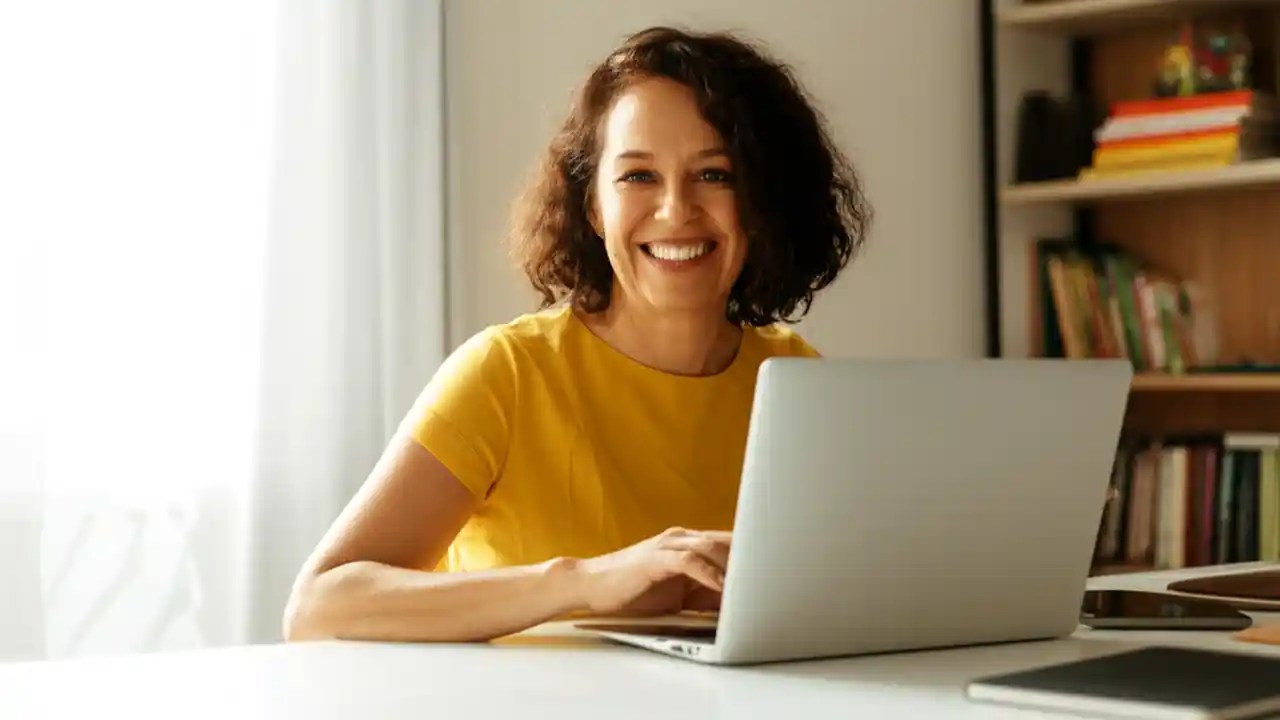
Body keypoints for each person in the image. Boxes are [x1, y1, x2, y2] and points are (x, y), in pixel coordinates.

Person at [283, 25, 870, 643]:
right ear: (592, 207)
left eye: (715, 174)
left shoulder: (797, 382)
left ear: (766, 200)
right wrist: (583, 582)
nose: (676, 211)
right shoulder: (507, 372)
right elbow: (319, 607)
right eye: (638, 176)